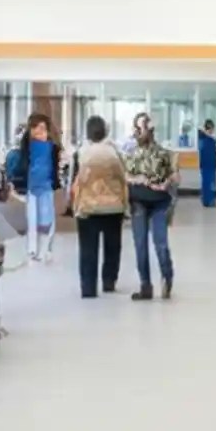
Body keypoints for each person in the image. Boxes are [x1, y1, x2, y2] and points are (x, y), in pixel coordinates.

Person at [72, 116, 128, 298]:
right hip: (113, 207)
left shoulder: (81, 153)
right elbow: (122, 177)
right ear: (105, 131)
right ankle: (109, 281)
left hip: (87, 207)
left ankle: (88, 288)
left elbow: (75, 182)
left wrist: (73, 203)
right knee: (113, 246)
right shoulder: (113, 153)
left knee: (88, 249)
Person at [126, 126, 176, 300]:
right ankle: (145, 285)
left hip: (159, 202)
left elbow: (173, 176)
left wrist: (165, 184)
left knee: (160, 242)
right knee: (141, 244)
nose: (140, 133)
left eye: (143, 129)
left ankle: (167, 276)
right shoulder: (131, 153)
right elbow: (125, 175)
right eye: (137, 129)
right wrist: (137, 179)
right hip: (138, 200)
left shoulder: (163, 153)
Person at [12, 114, 62, 262]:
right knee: (32, 219)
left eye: (43, 128)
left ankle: (47, 248)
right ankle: (33, 249)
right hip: (31, 187)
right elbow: (20, 166)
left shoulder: (53, 148)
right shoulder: (26, 147)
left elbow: (55, 167)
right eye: (36, 128)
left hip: (47, 187)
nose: (40, 132)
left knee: (48, 219)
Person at [197, 119, 216, 208]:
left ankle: (206, 200)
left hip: (205, 165)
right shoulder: (210, 140)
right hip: (210, 164)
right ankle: (210, 201)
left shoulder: (202, 139)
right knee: (210, 183)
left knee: (206, 182)